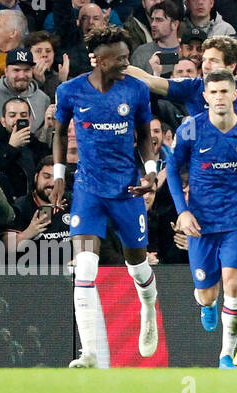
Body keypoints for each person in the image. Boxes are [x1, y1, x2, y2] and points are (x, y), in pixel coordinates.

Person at [123, 36, 237, 367]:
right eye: (203, 60)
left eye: (213, 62)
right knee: (212, 291)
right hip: (206, 199)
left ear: (233, 70)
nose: (205, 66)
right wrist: (117, 62)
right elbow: (150, 81)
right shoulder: (194, 90)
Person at [52, 26, 161, 367]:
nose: (127, 63)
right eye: (121, 58)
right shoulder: (70, 91)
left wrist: (152, 171)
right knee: (84, 265)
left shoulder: (136, 91)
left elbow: (144, 135)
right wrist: (59, 176)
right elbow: (58, 134)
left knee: (137, 264)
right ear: (98, 59)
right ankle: (90, 353)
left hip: (127, 190)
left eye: (128, 56)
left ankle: (147, 307)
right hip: (88, 190)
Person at [166, 71, 237, 367]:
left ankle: (226, 353)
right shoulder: (190, 130)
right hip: (201, 223)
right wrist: (182, 210)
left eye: (225, 92)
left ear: (235, 94)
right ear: (205, 97)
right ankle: (207, 304)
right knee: (206, 294)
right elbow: (173, 170)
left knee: (234, 285)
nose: (219, 98)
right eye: (213, 93)